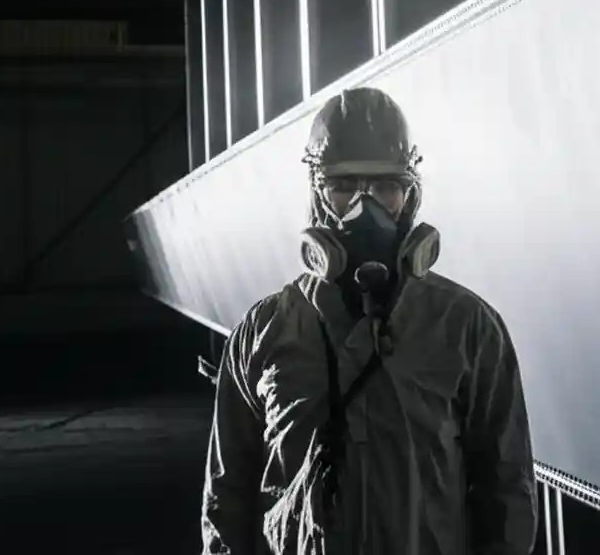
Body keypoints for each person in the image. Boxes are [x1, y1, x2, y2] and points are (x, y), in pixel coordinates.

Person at [200, 87, 537, 554]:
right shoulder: (263, 333)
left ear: (410, 195)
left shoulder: (468, 328)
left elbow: (507, 494)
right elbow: (226, 499)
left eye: (385, 187)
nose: (365, 207)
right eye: (343, 188)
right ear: (317, 196)